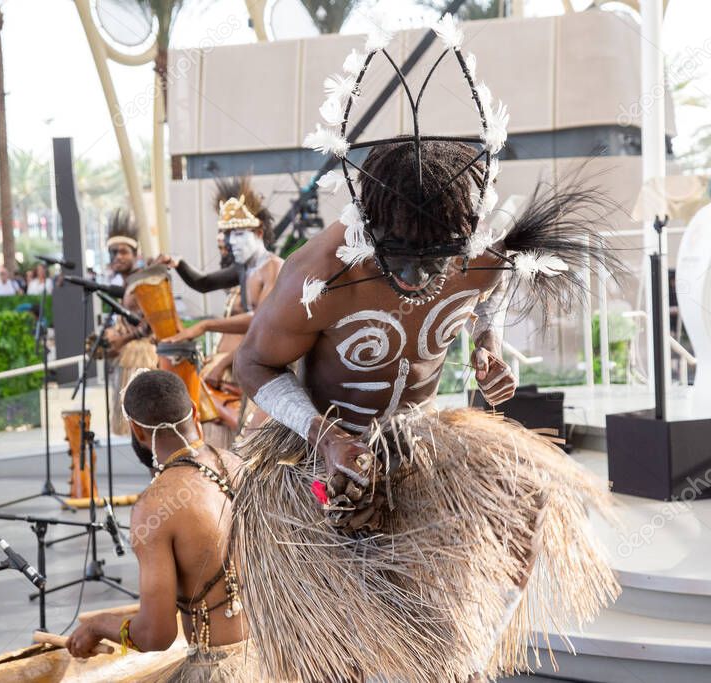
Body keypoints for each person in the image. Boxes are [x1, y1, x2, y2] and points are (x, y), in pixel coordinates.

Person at [230, 19, 620, 683]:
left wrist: (488, 348)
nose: (414, 276)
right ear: (368, 231)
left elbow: (487, 297)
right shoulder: (321, 277)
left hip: (423, 442)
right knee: (343, 646)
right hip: (323, 452)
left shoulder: (476, 262)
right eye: (399, 257)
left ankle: (463, 663)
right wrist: (322, 434)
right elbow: (251, 364)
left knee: (525, 503)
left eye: (431, 258)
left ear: (461, 239)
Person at [66, 369, 257, 681]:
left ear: (137, 430)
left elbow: (156, 634)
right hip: (271, 654)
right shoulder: (238, 466)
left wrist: (98, 624)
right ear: (194, 412)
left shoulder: (153, 508)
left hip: (218, 671)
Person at [157, 177, 283, 447]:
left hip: (274, 361)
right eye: (229, 235)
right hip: (250, 357)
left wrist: (204, 327)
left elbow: (262, 321)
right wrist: (178, 263)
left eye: (239, 234)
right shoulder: (244, 269)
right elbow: (203, 283)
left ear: (259, 233)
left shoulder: (273, 268)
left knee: (257, 439)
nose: (232, 242)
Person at [100, 209, 156, 435]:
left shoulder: (143, 280)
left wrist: (121, 340)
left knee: (142, 423)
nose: (118, 256)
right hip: (127, 357)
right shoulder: (126, 284)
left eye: (123, 251)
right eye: (113, 252)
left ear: (136, 254)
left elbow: (150, 324)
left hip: (142, 357)